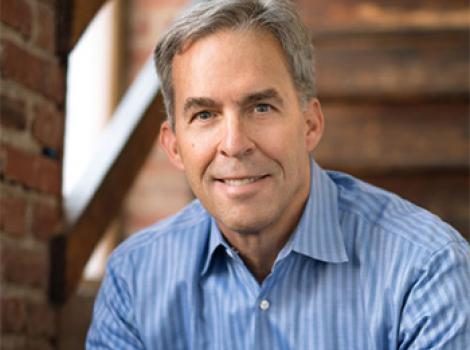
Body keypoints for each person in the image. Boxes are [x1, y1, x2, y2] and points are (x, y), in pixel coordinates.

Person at [86, 0, 470, 348]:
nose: (234, 144)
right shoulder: (134, 279)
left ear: (310, 124)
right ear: (173, 146)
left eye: (261, 107)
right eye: (204, 115)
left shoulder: (426, 267)